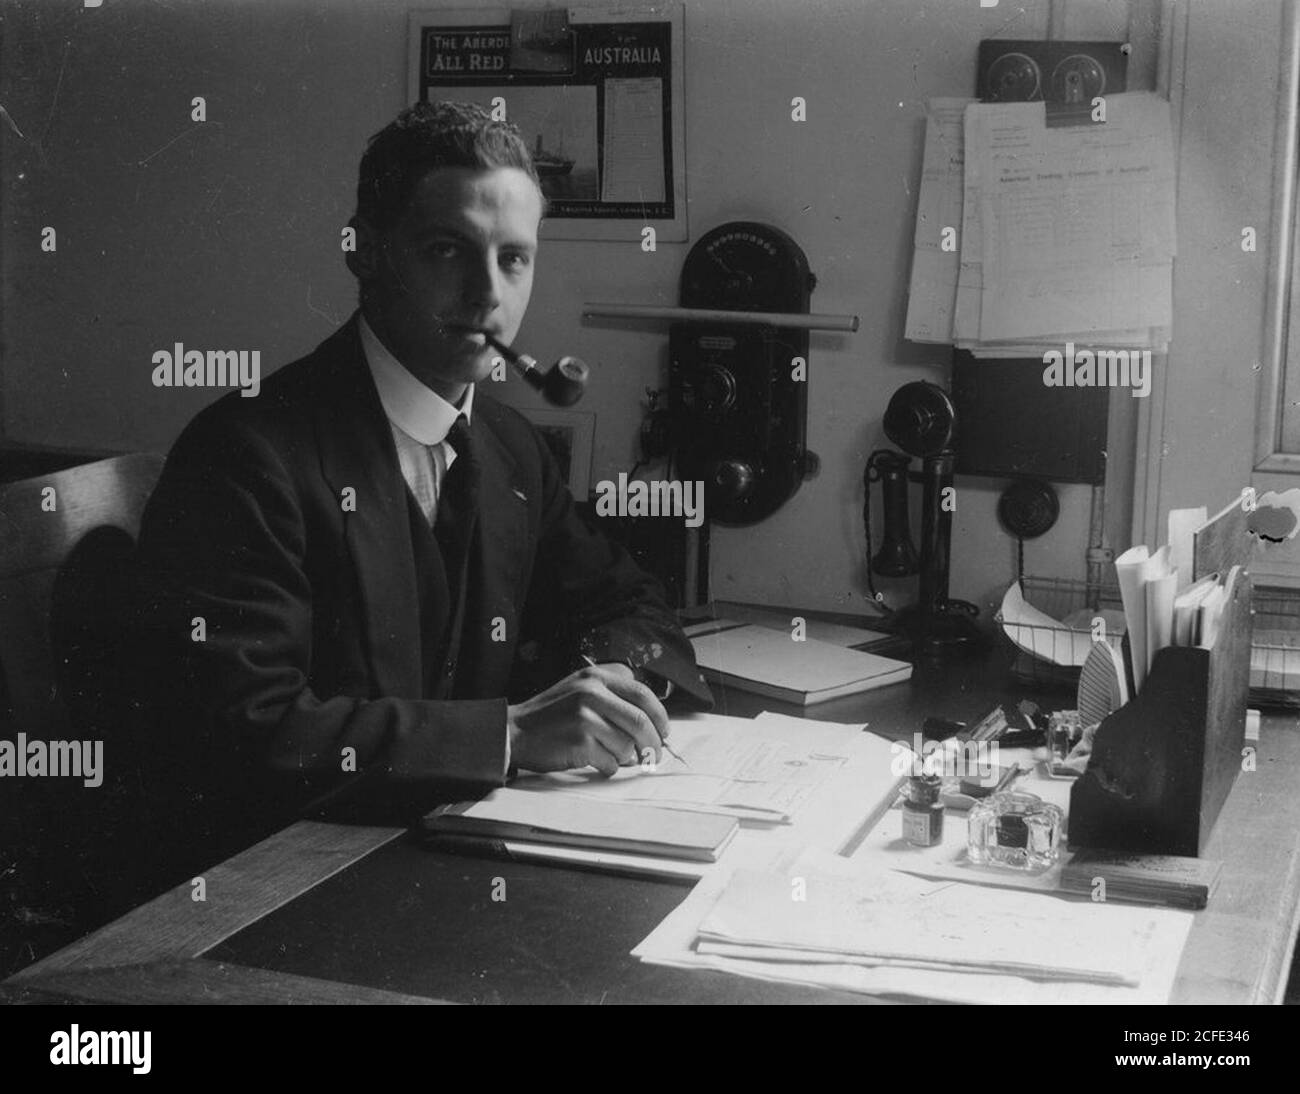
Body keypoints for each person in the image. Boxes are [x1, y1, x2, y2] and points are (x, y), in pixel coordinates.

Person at [128, 101, 710, 874]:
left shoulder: (511, 450)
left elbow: (625, 603)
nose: (486, 293)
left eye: (514, 258)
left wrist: (619, 686)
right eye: (447, 250)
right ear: (366, 253)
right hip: (282, 883)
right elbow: (249, 728)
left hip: (450, 862)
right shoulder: (245, 455)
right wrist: (508, 734)